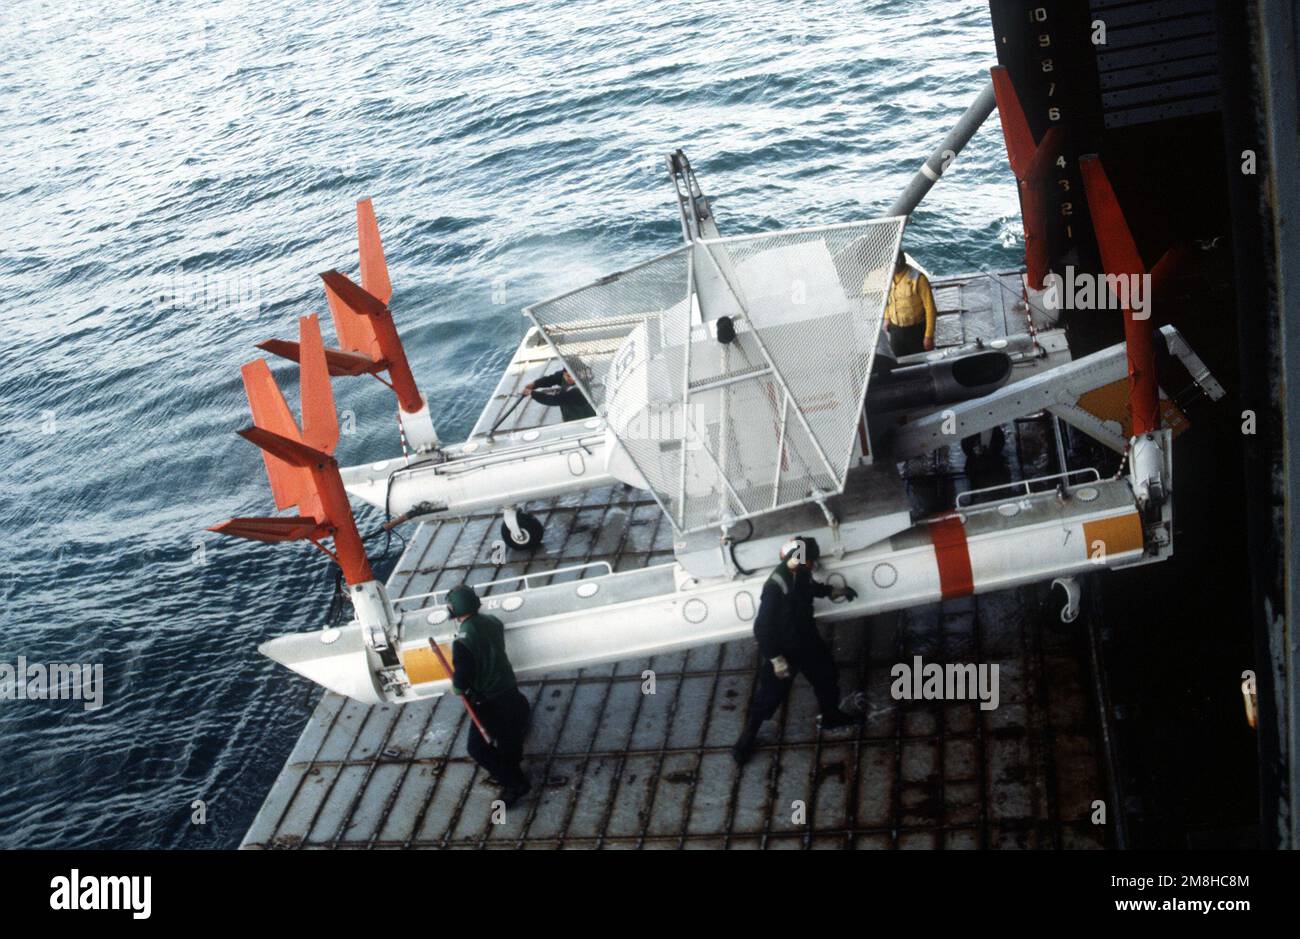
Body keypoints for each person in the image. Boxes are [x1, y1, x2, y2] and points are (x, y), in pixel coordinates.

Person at [732, 536, 862, 766]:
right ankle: (744, 742)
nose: (814, 564)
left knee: (827, 676)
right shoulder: (776, 585)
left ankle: (831, 717)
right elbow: (761, 628)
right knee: (769, 696)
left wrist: (834, 591)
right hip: (784, 650)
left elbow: (809, 589)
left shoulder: (799, 572)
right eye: (812, 560)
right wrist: (775, 659)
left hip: (807, 640)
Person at [446, 584, 532, 806]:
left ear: (454, 609)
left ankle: (515, 783)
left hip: (489, 699)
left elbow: (462, 675)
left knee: (477, 749)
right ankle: (513, 758)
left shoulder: (462, 640)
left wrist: (457, 687)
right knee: (509, 734)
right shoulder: (492, 622)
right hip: (508, 687)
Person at [882, 251, 937, 358]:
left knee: (920, 360)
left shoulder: (919, 279)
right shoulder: (887, 277)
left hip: (916, 331)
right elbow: (887, 299)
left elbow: (930, 309)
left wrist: (928, 336)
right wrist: (887, 317)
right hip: (895, 330)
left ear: (899, 264)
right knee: (898, 361)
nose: (888, 269)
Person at [523, 368, 596, 422]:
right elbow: (552, 379)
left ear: (581, 376)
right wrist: (534, 384)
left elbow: (555, 400)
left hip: (584, 418)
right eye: (567, 375)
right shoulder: (566, 375)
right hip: (568, 414)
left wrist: (532, 393)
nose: (568, 378)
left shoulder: (578, 391)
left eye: (572, 376)